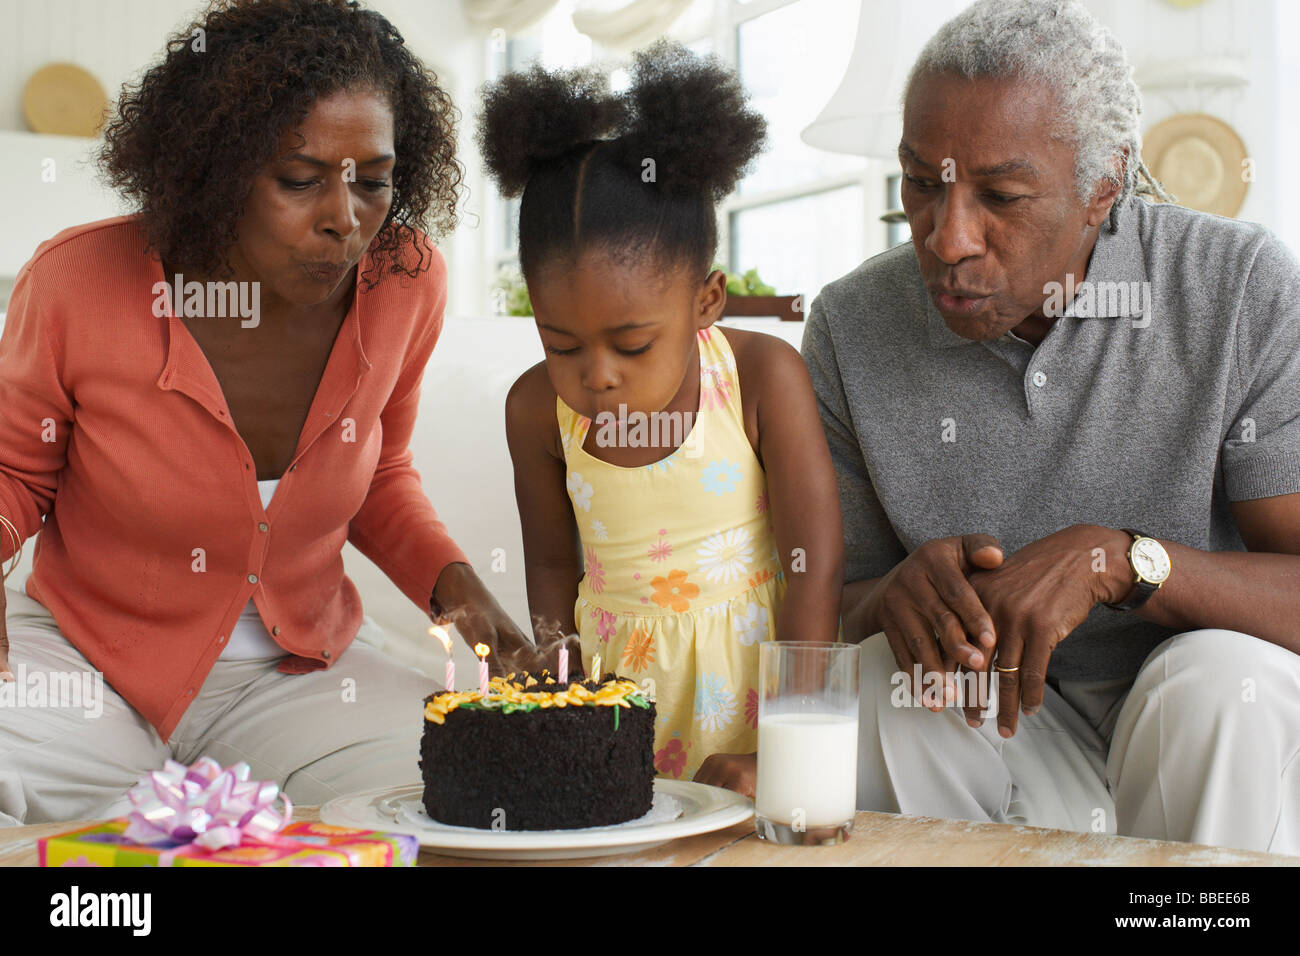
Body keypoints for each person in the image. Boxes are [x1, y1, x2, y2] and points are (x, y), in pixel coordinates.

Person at [0, 0, 536, 825]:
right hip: (86, 664)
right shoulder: (77, 282)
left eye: (374, 181)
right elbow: (13, 473)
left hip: (305, 677)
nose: (345, 219)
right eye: (299, 180)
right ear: (214, 167)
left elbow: (380, 476)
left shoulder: (405, 284)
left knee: (474, 795)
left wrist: (477, 609)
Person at [804, 0, 1300, 855]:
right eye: (922, 182)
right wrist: (892, 599)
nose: (948, 237)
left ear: (1103, 186)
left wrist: (1120, 560)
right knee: (889, 677)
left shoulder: (1238, 287)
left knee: (1223, 679)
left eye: (1000, 195)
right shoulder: (853, 327)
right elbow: (823, 616)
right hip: (1002, 731)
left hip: (1203, 733)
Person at [482, 40, 845, 788]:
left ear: (705, 301)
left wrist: (788, 743)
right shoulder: (534, 409)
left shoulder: (759, 376)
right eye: (561, 343)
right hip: (620, 712)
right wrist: (563, 693)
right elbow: (554, 564)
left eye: (633, 344)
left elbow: (817, 565)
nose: (597, 377)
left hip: (754, 711)